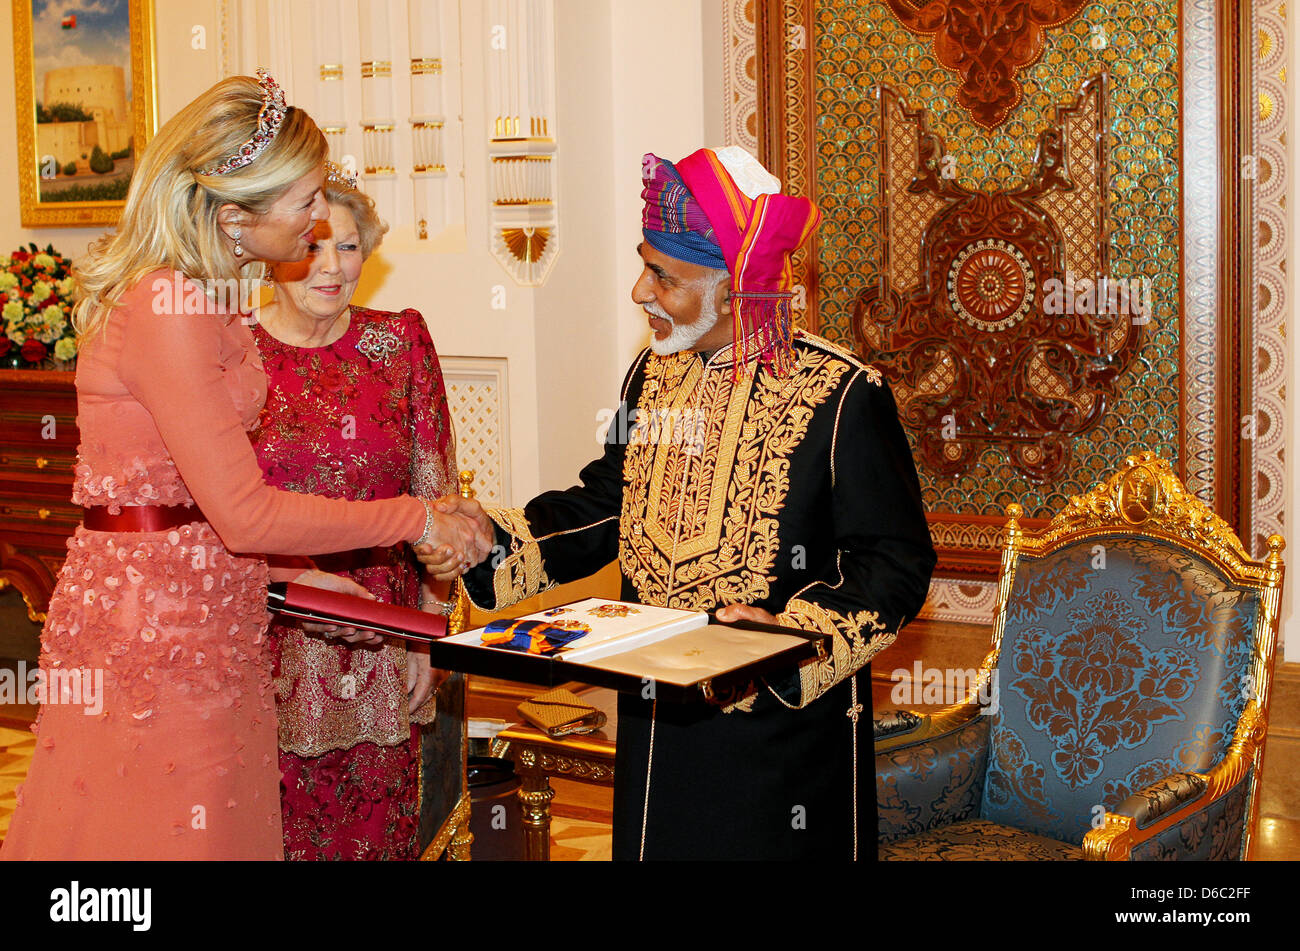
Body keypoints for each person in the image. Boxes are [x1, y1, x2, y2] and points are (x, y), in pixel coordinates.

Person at [0, 71, 484, 861]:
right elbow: (243, 510)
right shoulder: (168, 308)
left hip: (214, 612)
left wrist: (293, 577)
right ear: (233, 216)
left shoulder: (204, 295)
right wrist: (419, 516)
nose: (322, 218)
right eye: (306, 201)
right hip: (157, 637)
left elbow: (203, 507)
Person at [437, 146, 936, 860]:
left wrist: (784, 634)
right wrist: (496, 538)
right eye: (644, 265)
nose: (640, 290)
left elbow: (895, 563)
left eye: (662, 275)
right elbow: (608, 502)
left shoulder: (845, 396)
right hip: (659, 728)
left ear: (735, 290)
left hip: (781, 739)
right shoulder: (652, 376)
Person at [250, 163, 455, 860]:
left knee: (375, 834)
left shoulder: (398, 342)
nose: (333, 267)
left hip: (379, 643)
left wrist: (428, 628)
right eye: (313, 246)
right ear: (275, 250)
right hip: (264, 640)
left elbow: (437, 497)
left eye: (348, 246)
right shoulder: (233, 349)